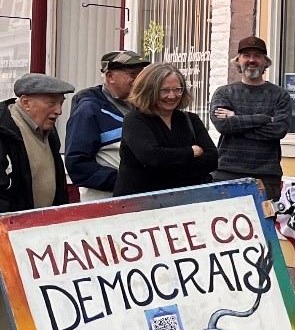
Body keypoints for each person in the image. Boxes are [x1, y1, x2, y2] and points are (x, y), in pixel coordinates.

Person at [113, 64, 217, 195]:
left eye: (177, 89)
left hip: (185, 203)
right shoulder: (135, 120)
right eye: (164, 90)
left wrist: (164, 167)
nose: (172, 96)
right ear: (149, 90)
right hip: (139, 206)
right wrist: (190, 152)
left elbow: (212, 159)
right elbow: (152, 156)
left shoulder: (190, 120)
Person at [210, 36, 291, 201]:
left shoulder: (280, 95)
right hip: (227, 173)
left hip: (266, 177)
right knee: (226, 226)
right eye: (246, 55)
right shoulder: (223, 93)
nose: (252, 60)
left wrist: (237, 120)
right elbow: (224, 126)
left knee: (264, 226)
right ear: (238, 61)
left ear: (265, 62)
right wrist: (264, 119)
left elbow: (278, 130)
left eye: (257, 56)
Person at [65, 50, 150, 201]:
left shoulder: (143, 109)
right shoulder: (88, 110)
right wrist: (123, 181)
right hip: (105, 206)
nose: (139, 81)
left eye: (142, 75)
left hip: (139, 201)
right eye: (133, 74)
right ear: (110, 76)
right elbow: (78, 165)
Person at [0, 74, 74, 212]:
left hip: (45, 227)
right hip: (13, 229)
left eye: (61, 103)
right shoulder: (5, 132)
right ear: (26, 103)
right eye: (51, 103)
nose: (59, 111)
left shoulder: (48, 130)